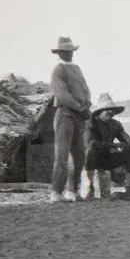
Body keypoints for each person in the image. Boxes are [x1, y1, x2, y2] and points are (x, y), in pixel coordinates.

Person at [49, 36, 92, 203]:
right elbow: (62, 94)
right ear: (60, 53)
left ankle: (72, 190)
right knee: (62, 154)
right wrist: (79, 106)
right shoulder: (58, 70)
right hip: (65, 113)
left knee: (79, 153)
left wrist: (87, 104)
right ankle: (56, 192)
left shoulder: (77, 69)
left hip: (79, 115)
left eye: (71, 51)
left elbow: (85, 88)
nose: (69, 54)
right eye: (66, 52)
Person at [84, 94, 130, 199]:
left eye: (112, 110)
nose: (110, 112)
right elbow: (91, 143)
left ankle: (129, 186)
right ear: (99, 111)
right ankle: (89, 188)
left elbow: (128, 140)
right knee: (91, 151)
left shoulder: (116, 124)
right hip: (91, 161)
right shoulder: (90, 123)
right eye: (107, 110)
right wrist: (114, 145)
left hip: (107, 159)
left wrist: (129, 145)